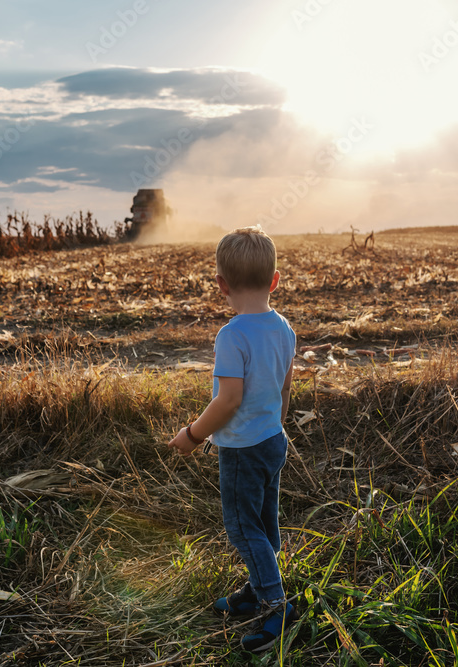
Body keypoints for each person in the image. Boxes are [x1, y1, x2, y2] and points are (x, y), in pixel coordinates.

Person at [167, 226, 298, 653]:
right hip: (272, 439)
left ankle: (276, 609)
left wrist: (192, 435)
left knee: (244, 529)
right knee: (265, 522)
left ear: (221, 284)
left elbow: (228, 401)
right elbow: (283, 389)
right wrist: (273, 427)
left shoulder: (232, 336)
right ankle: (258, 587)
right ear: (275, 280)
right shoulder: (283, 329)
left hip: (241, 449)